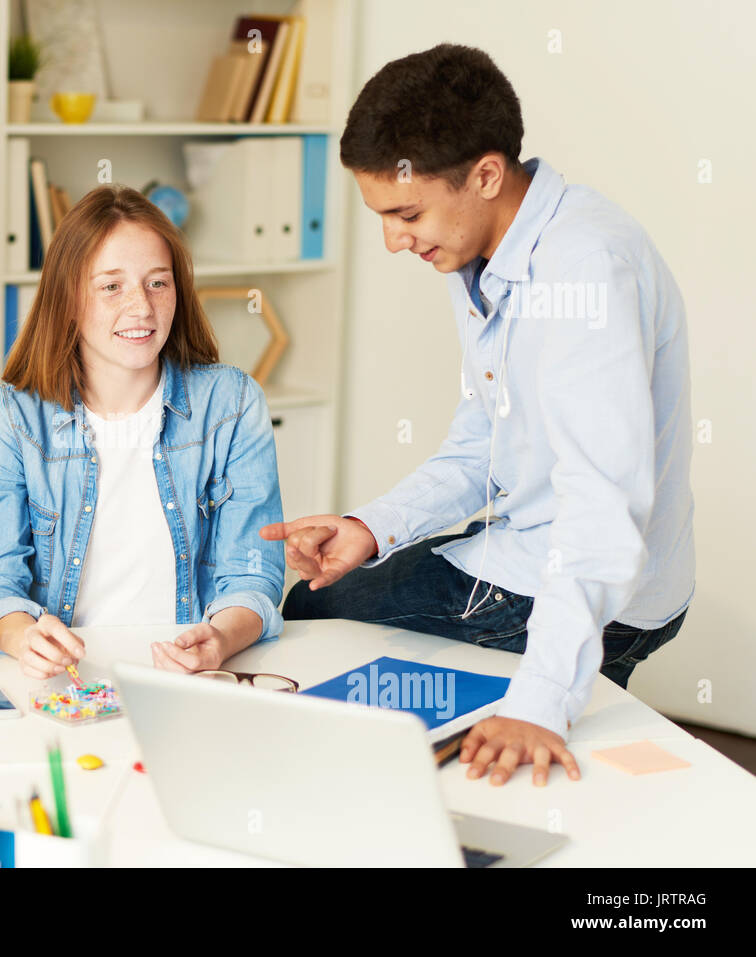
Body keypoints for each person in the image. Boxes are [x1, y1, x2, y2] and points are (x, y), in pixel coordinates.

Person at [261, 44, 693, 787]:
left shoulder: (584, 271)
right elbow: (483, 445)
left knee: (310, 616)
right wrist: (371, 528)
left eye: (406, 213)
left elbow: (600, 506)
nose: (395, 240)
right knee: (322, 593)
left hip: (586, 572)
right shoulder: (483, 254)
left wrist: (541, 702)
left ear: (486, 174)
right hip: (529, 541)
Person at [0, 185, 285, 679]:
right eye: (110, 286)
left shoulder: (233, 404)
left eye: (158, 283)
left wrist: (219, 639)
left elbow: (253, 573)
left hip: (190, 677)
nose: (141, 307)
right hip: (64, 678)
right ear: (66, 299)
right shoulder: (9, 418)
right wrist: (22, 634)